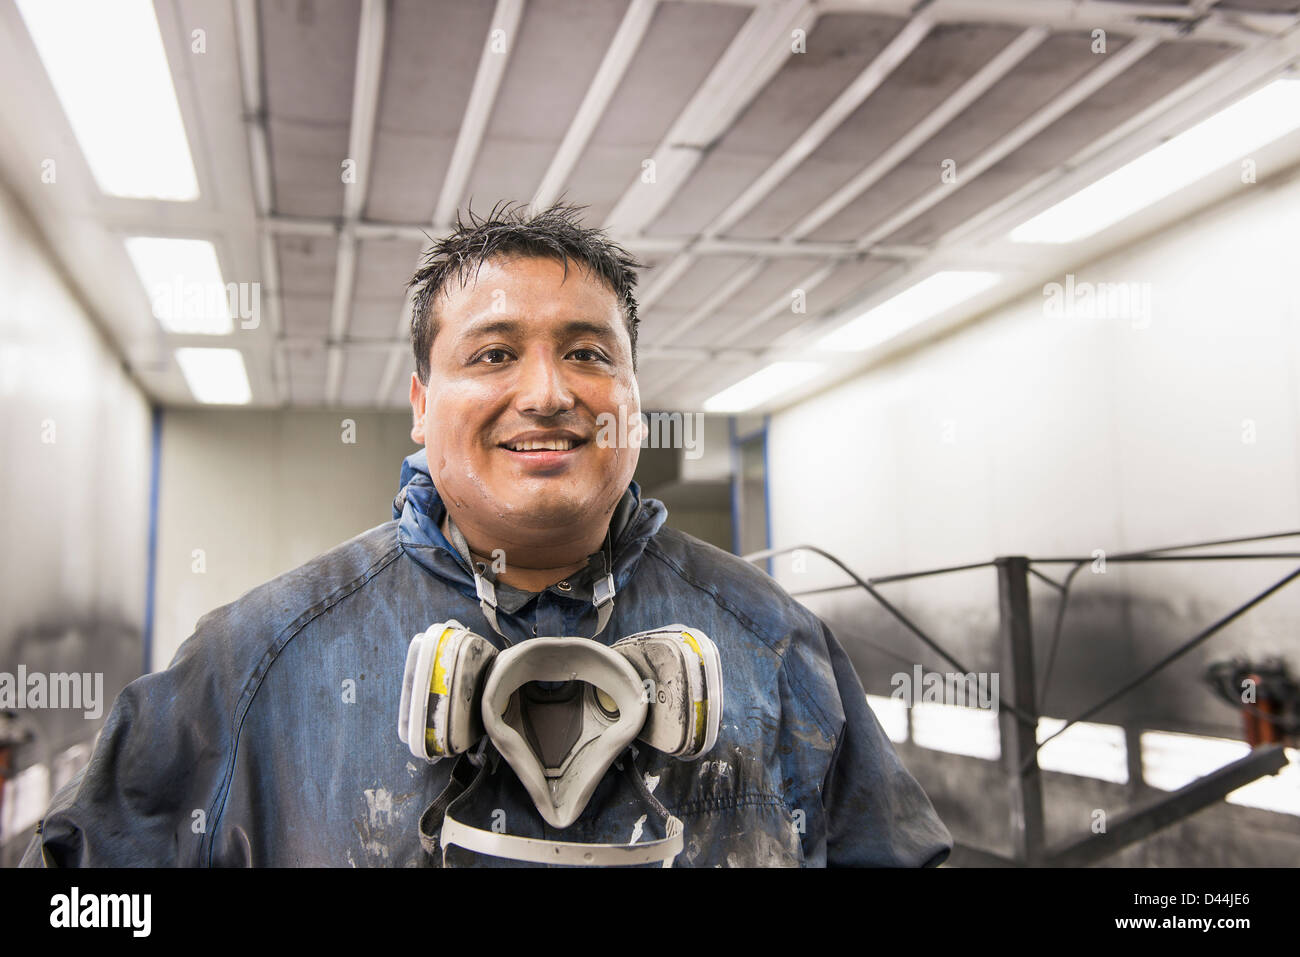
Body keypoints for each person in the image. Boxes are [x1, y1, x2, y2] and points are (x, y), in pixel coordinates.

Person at [21, 202, 952, 867]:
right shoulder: (252, 667)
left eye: (588, 352)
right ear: (422, 408)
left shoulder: (780, 646)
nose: (547, 392)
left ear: (633, 397)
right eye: (495, 353)